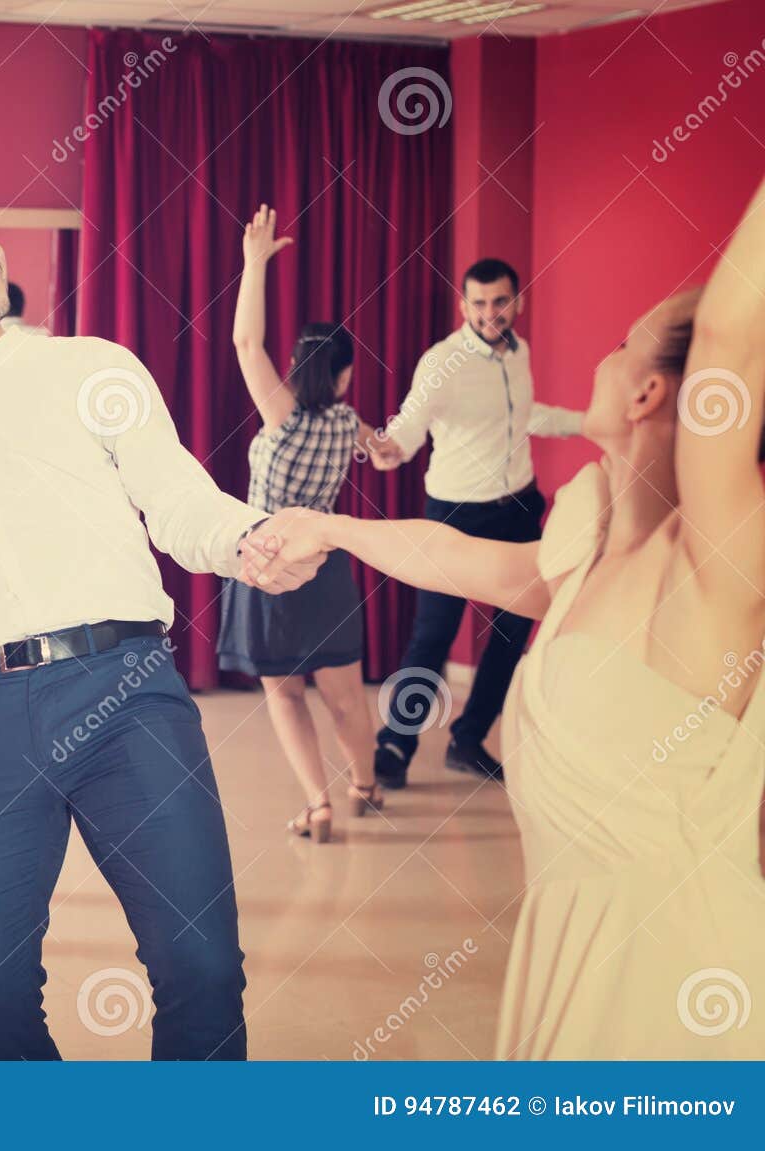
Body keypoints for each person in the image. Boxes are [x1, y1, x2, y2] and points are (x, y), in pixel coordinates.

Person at [244, 174, 765, 1058]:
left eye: (618, 344)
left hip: (673, 978)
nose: (600, 355)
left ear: (649, 396)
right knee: (426, 641)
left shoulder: (715, 565)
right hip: (564, 952)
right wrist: (326, 524)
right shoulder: (590, 535)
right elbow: (459, 557)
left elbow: (726, 337)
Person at [0, 170, 323, 1060]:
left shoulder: (92, 367)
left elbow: (179, 500)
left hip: (126, 693)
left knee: (203, 971)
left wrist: (246, 536)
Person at [367, 258, 583, 787]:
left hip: (519, 507)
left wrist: (590, 423)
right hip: (457, 514)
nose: (491, 313)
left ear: (517, 302)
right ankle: (396, 743)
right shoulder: (443, 361)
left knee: (514, 630)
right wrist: (390, 449)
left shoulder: (520, 352)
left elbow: (525, 414)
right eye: (480, 303)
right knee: (434, 633)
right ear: (465, 306)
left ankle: (469, 738)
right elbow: (411, 424)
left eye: (501, 301)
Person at [221, 206, 380, 843]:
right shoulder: (346, 422)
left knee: (283, 693)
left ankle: (317, 803)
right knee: (344, 693)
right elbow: (383, 446)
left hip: (265, 561)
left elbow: (243, 344)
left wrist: (253, 264)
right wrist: (388, 447)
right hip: (327, 562)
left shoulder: (281, 414)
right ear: (343, 374)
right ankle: (364, 783)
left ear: (294, 366)